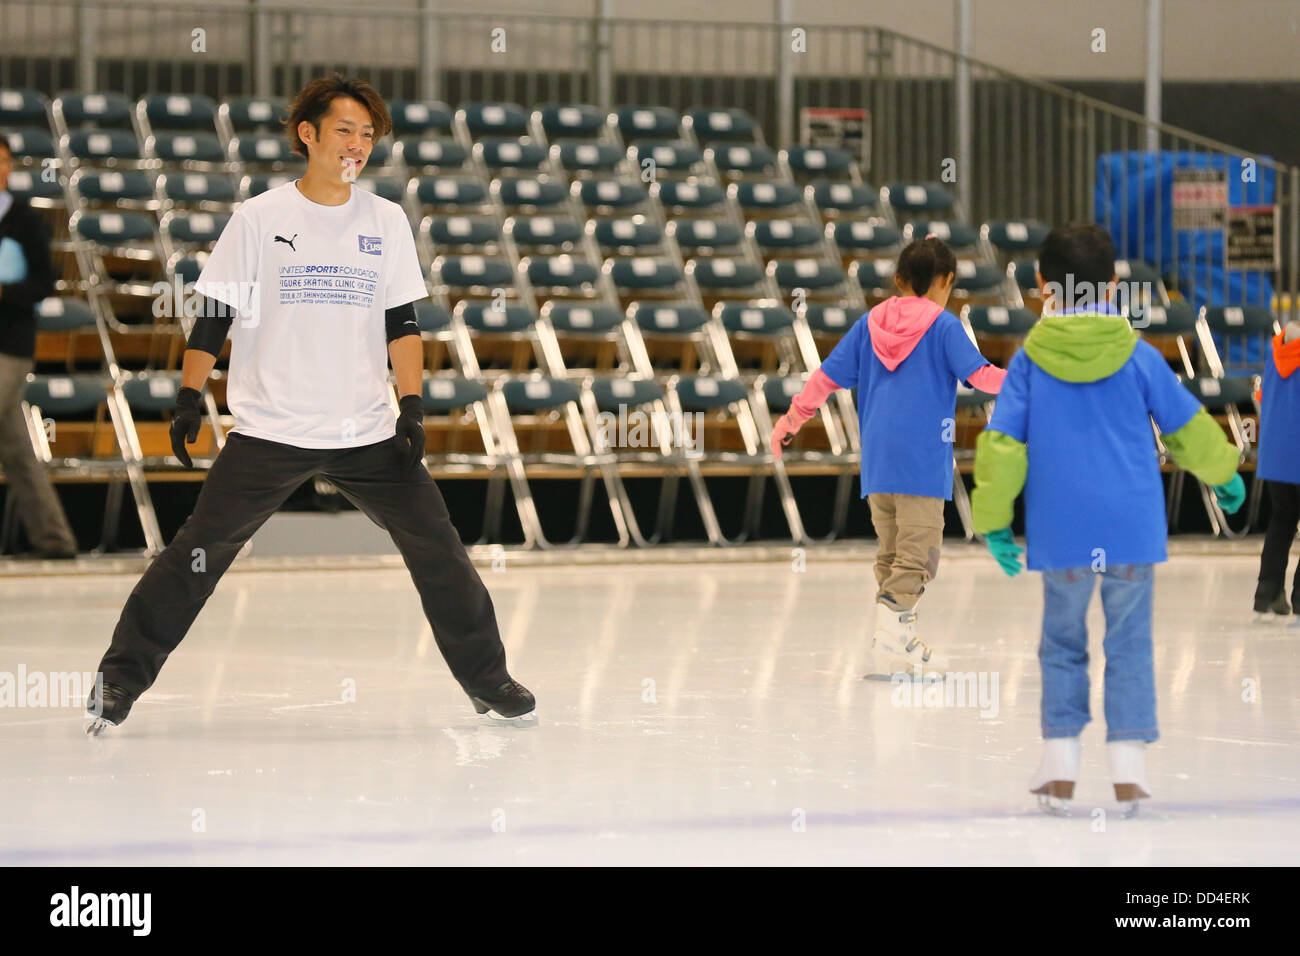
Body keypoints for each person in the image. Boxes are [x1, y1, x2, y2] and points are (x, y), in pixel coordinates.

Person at [85, 74, 533, 734]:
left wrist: (411, 406)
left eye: (368, 134)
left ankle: (487, 679)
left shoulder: (384, 220)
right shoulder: (261, 218)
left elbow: (402, 324)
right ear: (309, 135)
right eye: (345, 130)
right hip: (271, 427)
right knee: (196, 557)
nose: (357, 144)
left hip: (368, 430)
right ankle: (118, 683)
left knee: (439, 550)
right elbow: (215, 315)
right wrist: (189, 395)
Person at [970, 224, 1244, 815]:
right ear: (1115, 284)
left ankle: (1061, 762)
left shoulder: (1026, 364)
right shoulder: (1140, 358)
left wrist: (993, 519)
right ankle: (1128, 764)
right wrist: (1224, 473)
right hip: (1130, 528)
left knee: (1062, 645)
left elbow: (1001, 446)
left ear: (1042, 286)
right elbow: (1187, 426)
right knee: (1129, 644)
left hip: (1063, 531)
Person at [771, 237, 1007, 678]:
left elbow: (825, 378)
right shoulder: (943, 326)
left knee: (892, 551)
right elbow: (982, 377)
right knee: (918, 556)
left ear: (899, 280)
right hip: (921, 464)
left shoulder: (870, 322)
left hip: (878, 463)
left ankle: (894, 644)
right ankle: (892, 634)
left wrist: (792, 418)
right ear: (946, 281)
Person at [0, 134, 79, 558]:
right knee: (15, 450)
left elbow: (44, 283)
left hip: (8, 346)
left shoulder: (25, 220)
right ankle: (56, 540)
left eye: (5, 161)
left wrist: (4, 292)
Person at [1253, 318, 1300, 616]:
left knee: (1282, 519)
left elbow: (1261, 396)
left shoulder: (1276, 349)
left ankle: (1267, 592)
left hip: (1275, 455)